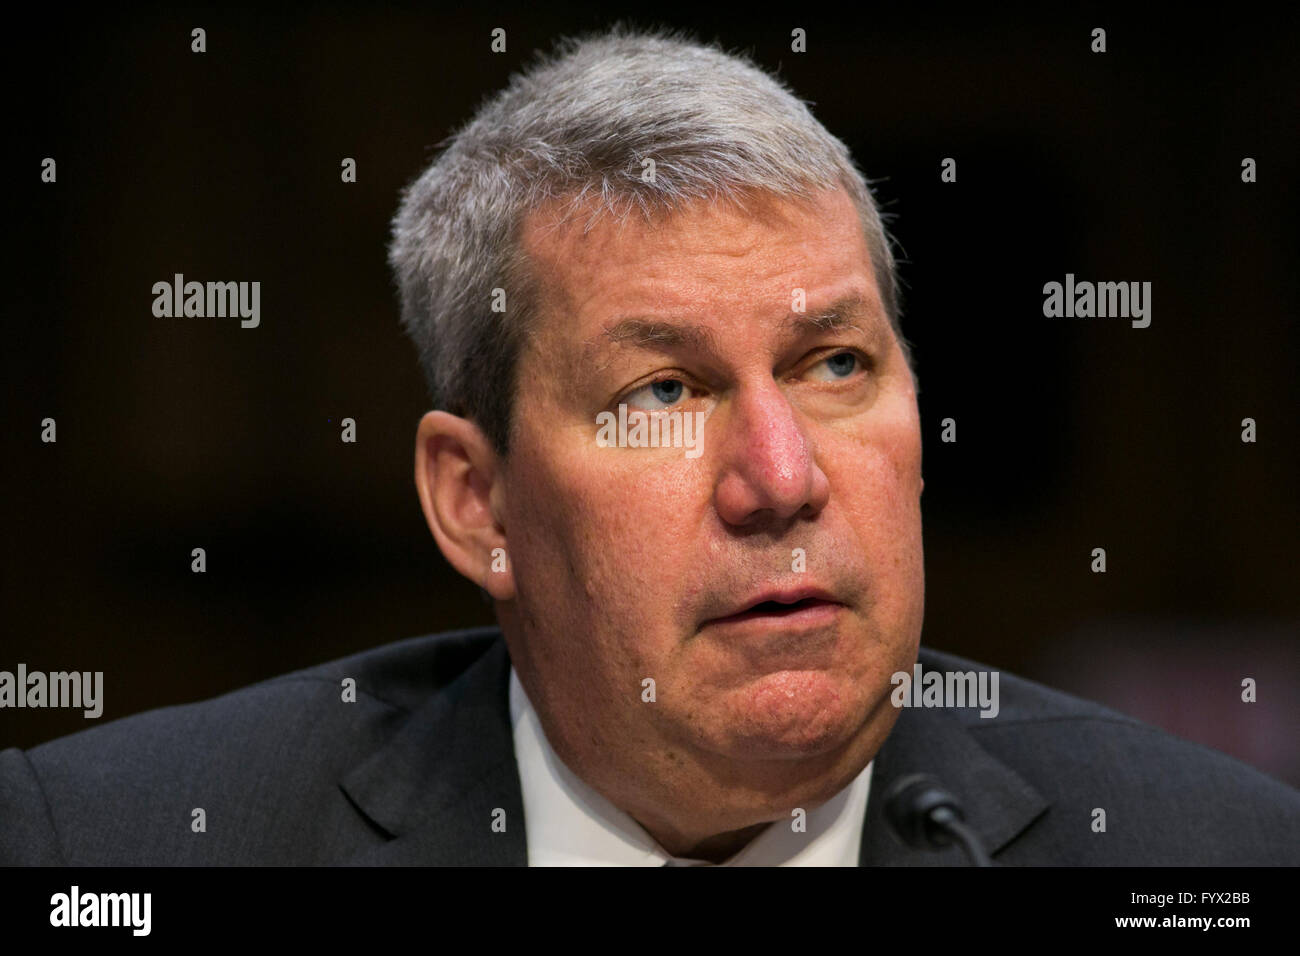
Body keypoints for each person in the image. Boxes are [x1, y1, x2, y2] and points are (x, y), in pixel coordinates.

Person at [2, 25, 1296, 866]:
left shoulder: (1210, 859)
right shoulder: (113, 852)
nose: (782, 481)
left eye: (835, 365)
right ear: (476, 504)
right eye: (664, 392)